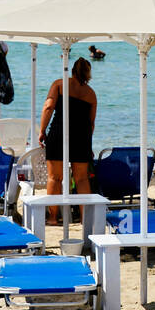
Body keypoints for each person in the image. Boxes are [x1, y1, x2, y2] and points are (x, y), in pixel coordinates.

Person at [39, 57, 97, 226]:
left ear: (72, 70)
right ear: (88, 73)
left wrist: (42, 130)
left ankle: (52, 217)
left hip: (59, 134)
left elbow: (48, 107)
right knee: (82, 179)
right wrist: (89, 144)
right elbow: (91, 122)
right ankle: (85, 217)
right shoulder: (91, 94)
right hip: (82, 138)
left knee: (55, 178)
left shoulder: (59, 84)